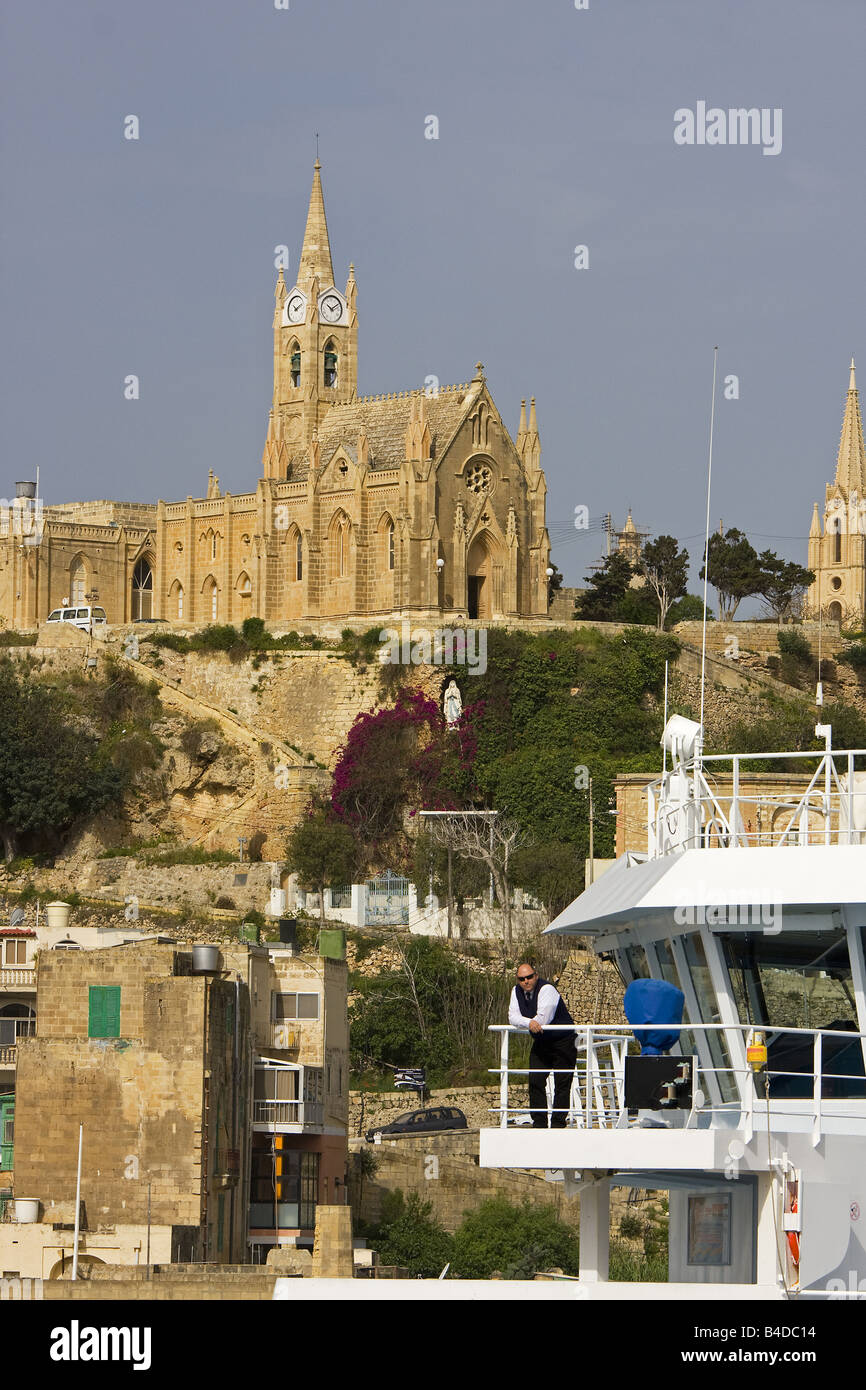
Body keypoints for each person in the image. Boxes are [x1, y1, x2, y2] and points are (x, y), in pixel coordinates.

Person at [509, 963, 576, 1128]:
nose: (526, 981)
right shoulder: (516, 991)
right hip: (542, 1041)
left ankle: (558, 1124)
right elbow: (512, 1017)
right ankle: (539, 1123)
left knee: (562, 1084)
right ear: (518, 980)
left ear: (536, 976)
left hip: (564, 1041)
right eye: (522, 979)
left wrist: (530, 1022)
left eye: (529, 977)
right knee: (535, 1080)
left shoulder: (547, 989)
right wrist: (529, 1022)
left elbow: (543, 1019)